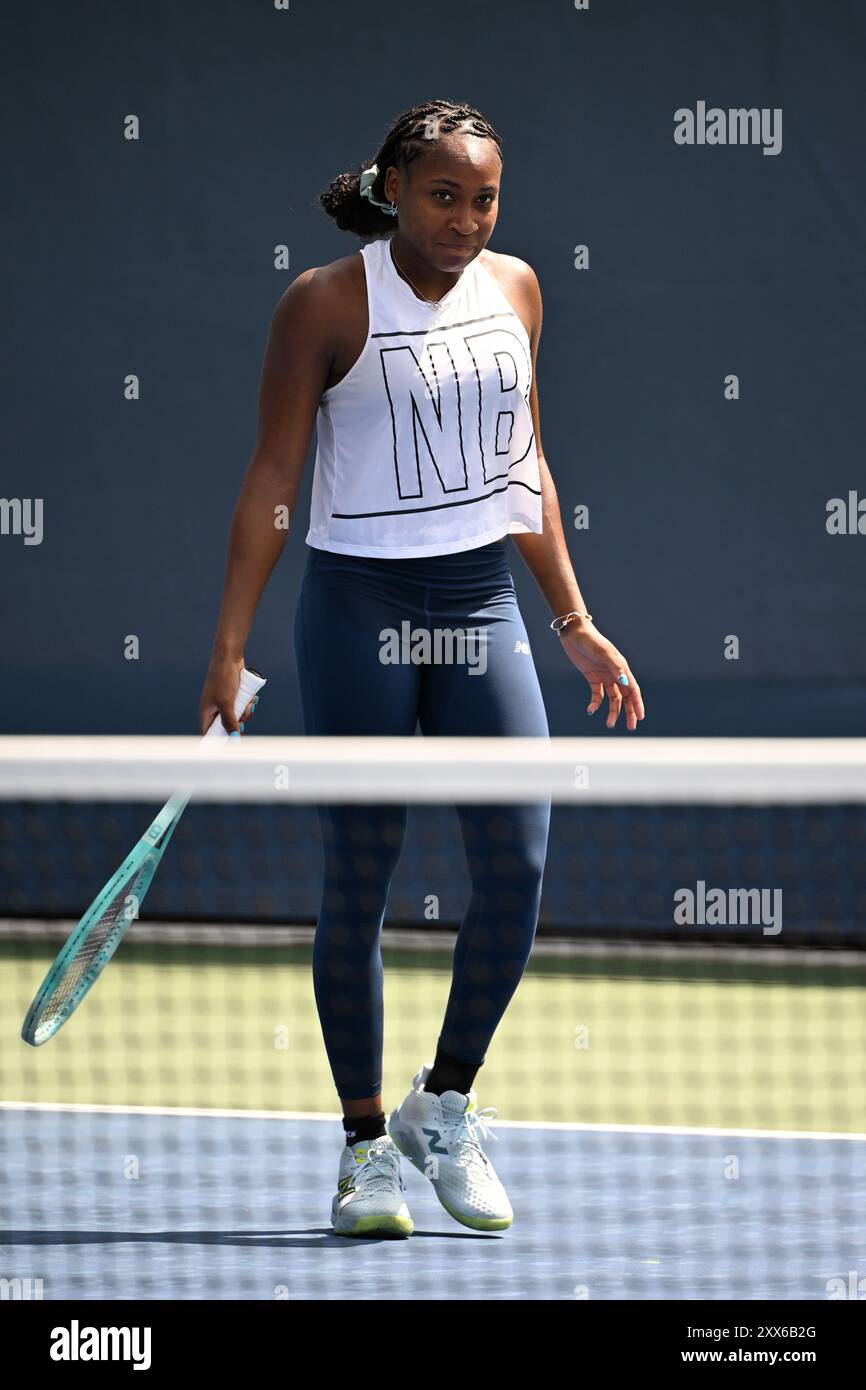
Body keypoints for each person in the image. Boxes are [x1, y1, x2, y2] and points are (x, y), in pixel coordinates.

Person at [199, 99, 644, 1239]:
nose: (465, 219)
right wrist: (230, 644)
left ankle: (441, 1104)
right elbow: (272, 478)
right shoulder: (324, 302)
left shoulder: (519, 290)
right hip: (359, 605)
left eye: (484, 199)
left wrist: (572, 616)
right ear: (392, 188)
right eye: (443, 195)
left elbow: (525, 460)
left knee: (518, 863)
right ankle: (363, 1148)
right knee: (363, 871)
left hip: (482, 601)